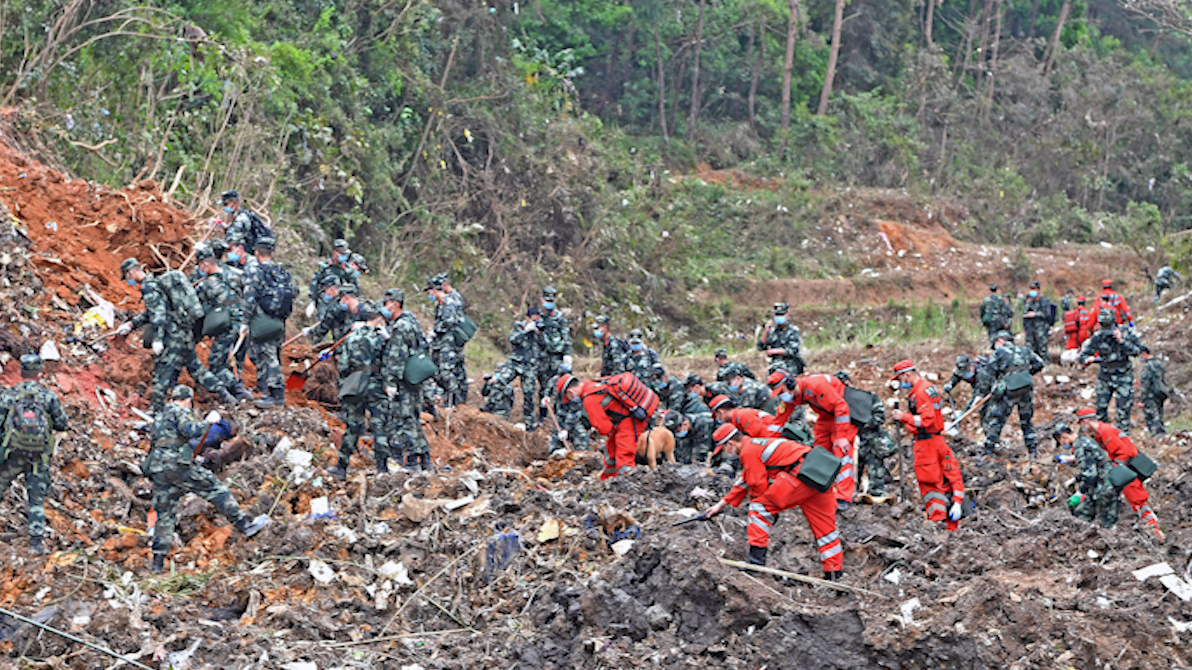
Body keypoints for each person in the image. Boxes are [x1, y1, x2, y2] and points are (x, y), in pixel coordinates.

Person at [142, 385, 269, 573]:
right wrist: (208, 422)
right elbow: (191, 431)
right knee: (215, 488)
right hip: (178, 466)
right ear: (187, 400)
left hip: (159, 470)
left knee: (165, 514)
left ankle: (157, 563)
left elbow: (156, 444)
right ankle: (244, 525)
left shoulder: (160, 417)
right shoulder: (180, 411)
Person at [701, 425, 843, 579]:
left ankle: (755, 565)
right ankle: (834, 573)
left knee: (758, 509)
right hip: (818, 475)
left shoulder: (748, 451)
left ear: (730, 444)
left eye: (723, 450)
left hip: (799, 474)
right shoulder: (757, 445)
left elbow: (756, 484)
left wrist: (766, 507)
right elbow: (745, 480)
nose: (726, 454)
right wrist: (721, 505)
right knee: (826, 529)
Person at [118, 258, 237, 410]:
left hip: (172, 336)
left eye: (127, 277)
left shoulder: (149, 287)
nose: (129, 280)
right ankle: (225, 395)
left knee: (162, 373)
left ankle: (156, 412)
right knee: (195, 367)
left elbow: (158, 315)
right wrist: (131, 324)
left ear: (131, 272)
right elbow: (151, 312)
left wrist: (158, 339)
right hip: (184, 331)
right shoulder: (156, 283)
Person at [0, 354, 69, 554]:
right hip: (39, 457)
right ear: (40, 374)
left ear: (21, 373)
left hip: (12, 454)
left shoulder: (9, 395)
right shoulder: (49, 396)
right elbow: (62, 423)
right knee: (36, 500)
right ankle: (35, 544)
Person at [890, 360, 965, 531]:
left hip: (927, 445)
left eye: (900, 378)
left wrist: (904, 417)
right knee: (947, 475)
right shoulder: (929, 388)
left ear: (907, 374)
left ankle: (938, 524)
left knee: (930, 482)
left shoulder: (920, 392)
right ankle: (950, 524)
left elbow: (926, 419)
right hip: (936, 440)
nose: (901, 383)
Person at [765, 372, 857, 505]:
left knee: (841, 453)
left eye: (781, 391)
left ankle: (844, 496)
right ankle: (822, 488)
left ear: (790, 384)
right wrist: (766, 443)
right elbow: (778, 421)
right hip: (825, 416)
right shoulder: (792, 396)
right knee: (819, 452)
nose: (781, 396)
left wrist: (842, 436)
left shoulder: (816, 386)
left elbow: (840, 406)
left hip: (843, 415)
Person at [1075, 408, 1163, 540]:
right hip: (1127, 468)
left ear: (1086, 422)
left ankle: (1155, 531)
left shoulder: (1105, 431)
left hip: (1127, 470)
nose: (1082, 428)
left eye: (1082, 424)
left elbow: (1123, 453)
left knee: (1137, 500)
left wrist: (1114, 470)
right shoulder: (1102, 432)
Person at [329, 309, 388, 479]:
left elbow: (343, 366)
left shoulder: (352, 337)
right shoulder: (381, 338)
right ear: (378, 320)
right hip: (376, 385)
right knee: (379, 427)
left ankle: (341, 467)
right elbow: (390, 361)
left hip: (356, 384)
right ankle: (382, 469)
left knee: (353, 426)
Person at [240, 237, 297, 408]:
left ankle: (277, 396)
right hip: (279, 321)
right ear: (272, 253)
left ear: (256, 252)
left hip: (262, 320)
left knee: (267, 355)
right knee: (274, 354)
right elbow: (294, 291)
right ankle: (266, 390)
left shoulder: (255, 271)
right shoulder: (282, 271)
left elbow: (249, 297)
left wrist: (244, 321)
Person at [381, 289, 434, 472]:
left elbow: (397, 358)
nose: (384, 306)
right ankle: (424, 460)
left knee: (405, 419)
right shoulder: (411, 322)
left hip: (403, 381)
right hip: (414, 379)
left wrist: (391, 382)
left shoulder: (400, 327)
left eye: (386, 302)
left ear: (395, 303)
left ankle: (412, 461)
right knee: (412, 418)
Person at [567, 372, 656, 479]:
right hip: (630, 415)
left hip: (630, 420)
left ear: (570, 392)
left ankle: (629, 484)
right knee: (611, 451)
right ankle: (608, 480)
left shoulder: (590, 400)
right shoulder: (595, 383)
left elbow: (605, 428)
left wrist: (595, 424)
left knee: (624, 454)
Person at [193, 248, 254, 401]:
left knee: (216, 363)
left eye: (200, 265)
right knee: (236, 360)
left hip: (227, 326)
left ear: (205, 264)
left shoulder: (206, 285)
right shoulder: (235, 273)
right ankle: (238, 392)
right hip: (245, 324)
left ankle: (239, 392)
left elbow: (196, 307)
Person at [982, 330, 1045, 458]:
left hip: (1008, 391)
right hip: (1026, 388)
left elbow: (989, 371)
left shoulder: (999, 352)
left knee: (997, 419)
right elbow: (1040, 363)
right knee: (1027, 421)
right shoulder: (1025, 350)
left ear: (1000, 340)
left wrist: (998, 382)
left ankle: (988, 450)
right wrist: (1024, 374)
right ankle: (1033, 452)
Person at [835, 371, 895, 501]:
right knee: (853, 470)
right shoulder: (837, 402)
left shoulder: (867, 398)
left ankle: (876, 495)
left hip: (872, 440)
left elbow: (880, 417)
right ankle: (852, 493)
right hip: (854, 442)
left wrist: (862, 423)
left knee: (875, 470)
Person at [1080, 309, 1143, 432]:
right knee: (1101, 408)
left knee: (1123, 410)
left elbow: (1137, 351)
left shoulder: (1126, 332)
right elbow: (1084, 354)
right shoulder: (1098, 336)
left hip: (1123, 375)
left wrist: (1122, 341)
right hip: (1105, 375)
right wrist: (1088, 359)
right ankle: (1104, 436)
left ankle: (1122, 437)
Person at [1052, 423, 1118, 528]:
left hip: (1104, 487)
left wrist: (1079, 493)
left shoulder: (1080, 447)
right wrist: (1074, 480)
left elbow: (1090, 475)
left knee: (1106, 521)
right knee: (1082, 514)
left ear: (1064, 436)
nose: (1063, 445)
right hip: (1103, 483)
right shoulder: (1085, 440)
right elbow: (1091, 467)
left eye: (1061, 442)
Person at [427, 275, 466, 407]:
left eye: (429, 291)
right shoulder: (440, 304)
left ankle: (454, 399)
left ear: (434, 290)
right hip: (439, 343)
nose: (429, 294)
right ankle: (445, 396)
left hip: (447, 344)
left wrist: (436, 330)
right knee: (436, 371)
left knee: (446, 372)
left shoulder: (449, 303)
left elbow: (449, 321)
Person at [538, 287, 573, 422]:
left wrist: (567, 354)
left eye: (552, 300)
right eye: (547, 300)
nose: (549, 303)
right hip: (542, 356)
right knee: (543, 386)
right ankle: (542, 415)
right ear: (542, 299)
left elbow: (566, 336)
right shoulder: (538, 316)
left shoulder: (559, 317)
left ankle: (559, 416)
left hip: (556, 356)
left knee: (558, 385)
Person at [509, 307, 547, 429]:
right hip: (517, 363)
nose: (536, 322)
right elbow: (513, 339)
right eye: (534, 320)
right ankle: (498, 413)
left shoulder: (538, 330)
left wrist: (539, 333)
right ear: (527, 318)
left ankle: (529, 424)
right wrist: (525, 330)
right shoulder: (519, 327)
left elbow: (545, 345)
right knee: (500, 383)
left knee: (529, 395)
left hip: (530, 367)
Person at [307, 239, 357, 321]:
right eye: (342, 254)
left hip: (341, 303)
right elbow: (314, 284)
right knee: (321, 326)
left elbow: (355, 288)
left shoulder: (348, 270)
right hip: (325, 301)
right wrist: (312, 302)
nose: (344, 256)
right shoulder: (323, 266)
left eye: (346, 254)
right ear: (335, 252)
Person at [546, 373, 591, 456]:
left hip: (578, 420)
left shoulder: (588, 393)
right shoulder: (564, 394)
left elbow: (574, 414)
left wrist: (566, 429)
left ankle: (584, 457)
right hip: (563, 418)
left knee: (582, 438)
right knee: (555, 441)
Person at [757, 302, 804, 375]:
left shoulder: (793, 330)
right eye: (777, 315)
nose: (779, 317)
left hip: (789, 367)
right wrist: (766, 331)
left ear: (787, 315)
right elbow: (760, 347)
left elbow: (793, 350)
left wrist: (775, 351)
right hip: (774, 366)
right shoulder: (772, 330)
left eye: (781, 315)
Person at [220, 190, 272, 254]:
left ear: (234, 202)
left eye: (226, 204)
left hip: (247, 254)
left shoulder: (241, 218)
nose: (224, 207)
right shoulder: (239, 216)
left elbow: (232, 240)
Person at [622, 329, 666, 395]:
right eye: (633, 343)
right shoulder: (625, 357)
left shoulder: (651, 354)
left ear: (642, 341)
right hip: (632, 389)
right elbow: (620, 374)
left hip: (649, 388)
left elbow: (660, 371)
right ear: (629, 342)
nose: (635, 345)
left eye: (637, 343)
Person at [1139, 348, 1169, 436]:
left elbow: (1145, 384)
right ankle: (1163, 435)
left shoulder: (1148, 366)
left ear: (1144, 354)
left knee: (1152, 417)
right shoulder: (1160, 364)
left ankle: (1156, 436)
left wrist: (1142, 400)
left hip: (1150, 396)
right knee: (1159, 415)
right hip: (1160, 393)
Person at [1021, 281, 1054, 361]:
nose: (1033, 291)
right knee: (1031, 349)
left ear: (1039, 290)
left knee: (1042, 349)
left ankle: (1047, 365)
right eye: (1032, 289)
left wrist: (1035, 314)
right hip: (1031, 329)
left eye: (1035, 289)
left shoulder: (1043, 301)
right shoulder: (1029, 302)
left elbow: (1046, 314)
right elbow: (1025, 313)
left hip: (1041, 329)